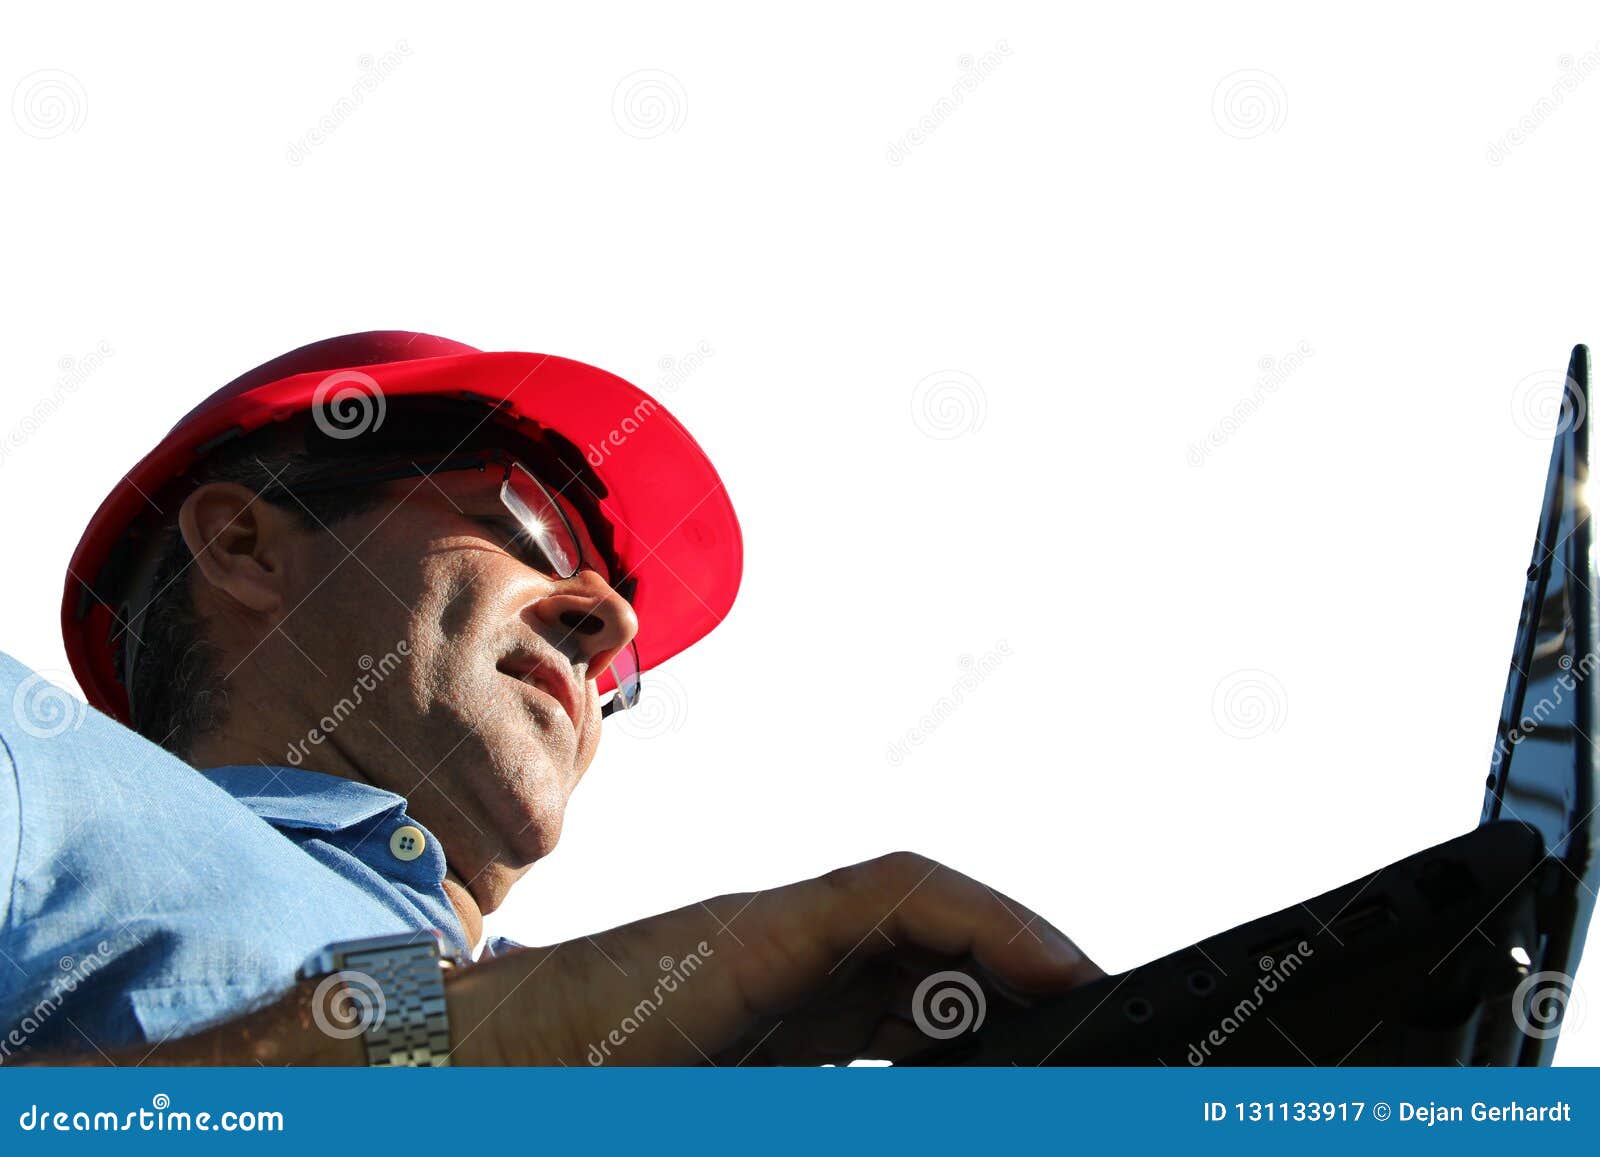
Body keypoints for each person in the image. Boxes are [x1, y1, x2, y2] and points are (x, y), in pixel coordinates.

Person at [0, 331, 1100, 1066]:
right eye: (524, 529)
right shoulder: (33, 765)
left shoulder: (640, 1043)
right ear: (246, 545)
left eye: (618, 678)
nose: (608, 622)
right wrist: (498, 1040)